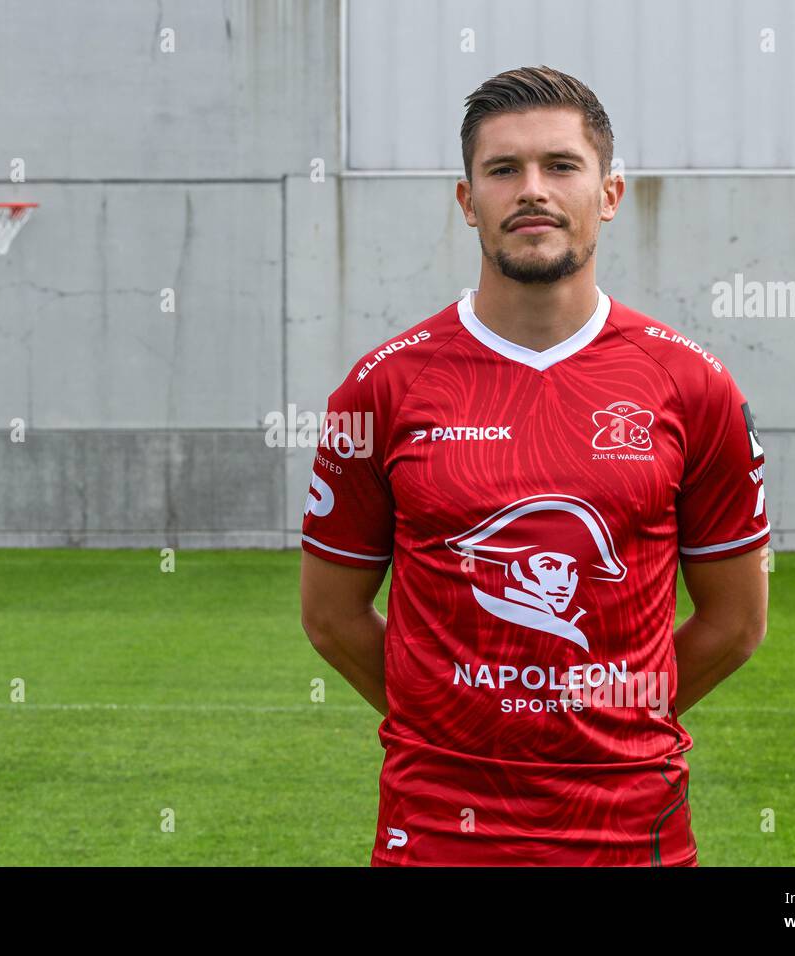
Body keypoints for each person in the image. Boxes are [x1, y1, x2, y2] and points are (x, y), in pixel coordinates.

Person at [299, 65, 770, 866]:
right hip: (439, 829)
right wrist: (454, 727)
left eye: (560, 165)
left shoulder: (693, 384)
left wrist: (612, 722)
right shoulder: (385, 386)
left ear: (610, 193)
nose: (532, 190)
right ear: (466, 200)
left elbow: (735, 623)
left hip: (630, 827)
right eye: (503, 169)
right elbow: (332, 616)